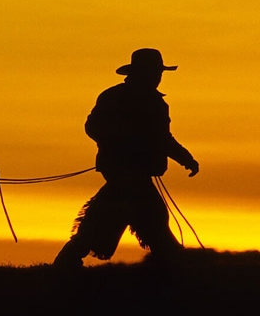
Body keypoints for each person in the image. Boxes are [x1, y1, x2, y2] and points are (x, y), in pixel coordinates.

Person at [53, 48, 199, 268]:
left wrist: (184, 157)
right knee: (151, 219)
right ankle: (175, 264)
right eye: (154, 72)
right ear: (142, 73)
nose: (158, 77)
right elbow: (94, 127)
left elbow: (161, 137)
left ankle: (67, 260)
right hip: (125, 170)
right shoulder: (122, 98)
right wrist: (121, 142)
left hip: (126, 170)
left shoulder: (145, 101)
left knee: (114, 214)